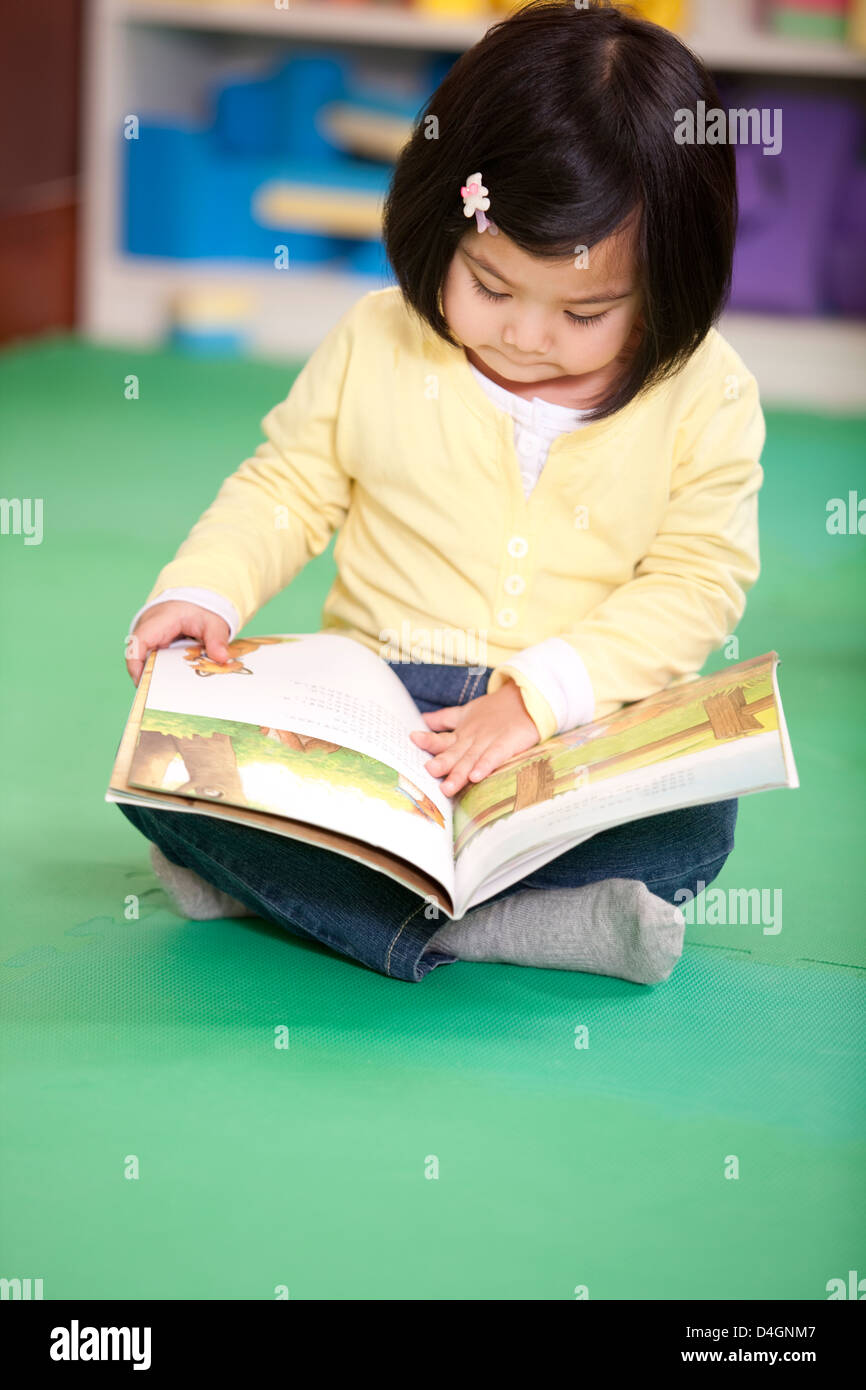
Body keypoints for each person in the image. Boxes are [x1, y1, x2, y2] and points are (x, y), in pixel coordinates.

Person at [120, 1, 764, 985]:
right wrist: (202, 591)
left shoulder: (705, 391)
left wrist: (539, 698)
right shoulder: (377, 339)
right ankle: (501, 926)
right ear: (438, 224)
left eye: (584, 311)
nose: (526, 335)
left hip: (573, 720)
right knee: (174, 775)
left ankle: (311, 902)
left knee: (696, 817)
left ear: (669, 284)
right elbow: (287, 484)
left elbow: (695, 581)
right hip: (381, 705)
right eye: (490, 286)